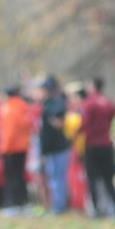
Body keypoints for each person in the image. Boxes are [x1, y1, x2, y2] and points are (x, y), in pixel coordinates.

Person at [80, 78, 115, 217]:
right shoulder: (109, 102)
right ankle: (113, 207)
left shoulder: (89, 103)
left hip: (92, 144)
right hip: (107, 144)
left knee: (92, 178)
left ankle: (96, 208)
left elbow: (84, 124)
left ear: (93, 87)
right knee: (108, 178)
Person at [37, 77, 72, 213]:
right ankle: (56, 204)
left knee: (58, 178)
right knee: (53, 177)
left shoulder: (58, 102)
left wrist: (54, 120)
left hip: (58, 147)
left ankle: (59, 206)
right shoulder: (47, 103)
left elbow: (60, 122)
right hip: (50, 148)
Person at [0, 85, 33, 211]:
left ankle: (14, 204)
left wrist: (4, 148)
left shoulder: (8, 108)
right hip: (22, 146)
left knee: (11, 177)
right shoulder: (24, 106)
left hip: (10, 148)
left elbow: (9, 131)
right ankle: (23, 202)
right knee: (20, 176)